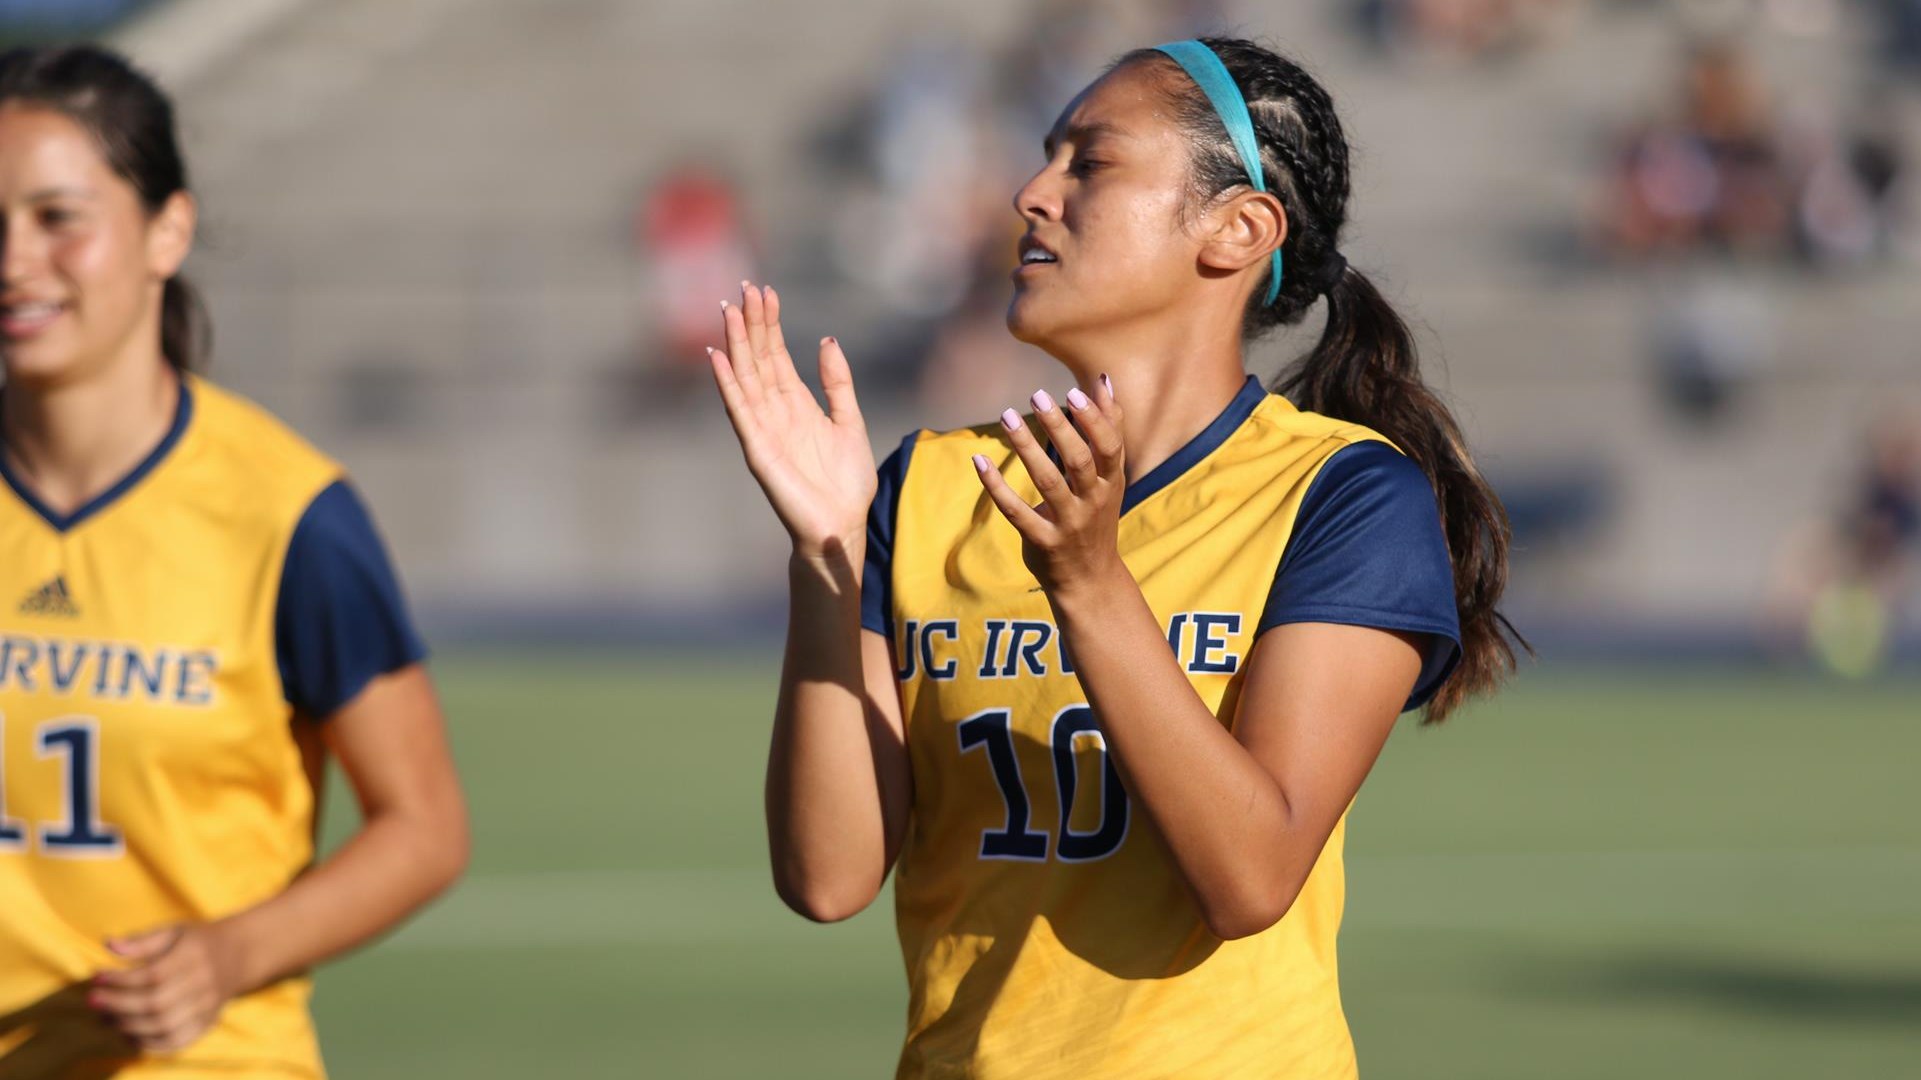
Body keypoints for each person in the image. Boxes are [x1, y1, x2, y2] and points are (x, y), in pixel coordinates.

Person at [709, 36, 1521, 1078]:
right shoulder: (924, 488)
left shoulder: (1341, 495)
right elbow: (827, 878)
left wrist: (1090, 583)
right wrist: (824, 555)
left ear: (1236, 229)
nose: (1030, 193)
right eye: (1046, 155)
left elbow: (1250, 874)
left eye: (1088, 162)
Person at [0, 45, 466, 1077]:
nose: (13, 258)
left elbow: (425, 827)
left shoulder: (289, 513)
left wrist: (225, 955)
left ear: (168, 227)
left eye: (56, 218)